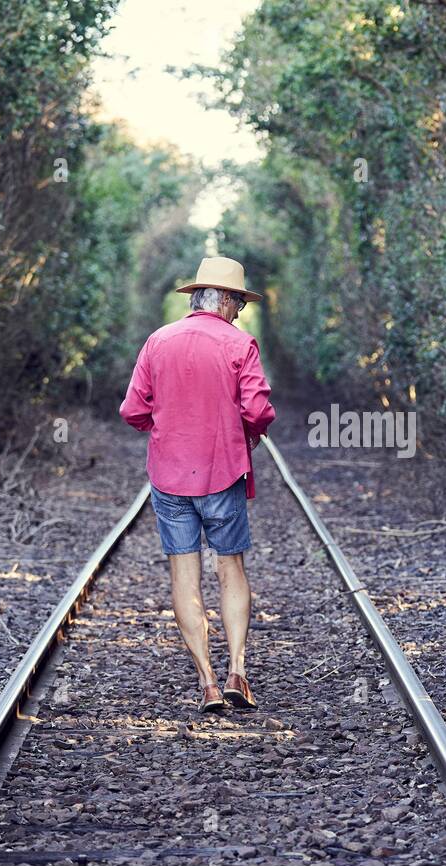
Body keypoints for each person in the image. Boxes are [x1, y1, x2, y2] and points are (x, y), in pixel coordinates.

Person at [119, 256, 276, 713]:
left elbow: (133, 410)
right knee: (230, 570)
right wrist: (244, 431)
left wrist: (166, 426)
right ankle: (237, 674)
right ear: (224, 299)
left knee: (184, 576)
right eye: (239, 303)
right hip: (221, 473)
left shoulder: (157, 341)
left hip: (169, 476)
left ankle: (207, 682)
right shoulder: (239, 344)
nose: (241, 312)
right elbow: (259, 411)